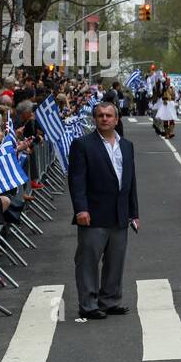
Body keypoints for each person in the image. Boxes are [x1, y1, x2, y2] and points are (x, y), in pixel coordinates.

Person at [68, 101, 139, 320]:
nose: (105, 119)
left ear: (117, 119)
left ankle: (110, 300)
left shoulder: (126, 145)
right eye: (100, 115)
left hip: (119, 213)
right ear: (94, 119)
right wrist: (81, 209)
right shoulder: (83, 144)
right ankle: (88, 305)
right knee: (88, 261)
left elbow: (130, 181)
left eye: (109, 115)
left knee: (115, 260)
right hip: (93, 213)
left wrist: (133, 212)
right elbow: (76, 180)